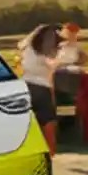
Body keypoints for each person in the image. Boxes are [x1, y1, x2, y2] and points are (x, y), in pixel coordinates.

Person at [19, 23, 63, 155]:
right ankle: (51, 152)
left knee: (31, 122)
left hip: (26, 85)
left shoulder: (28, 49)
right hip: (42, 88)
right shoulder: (47, 54)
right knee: (49, 122)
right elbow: (52, 71)